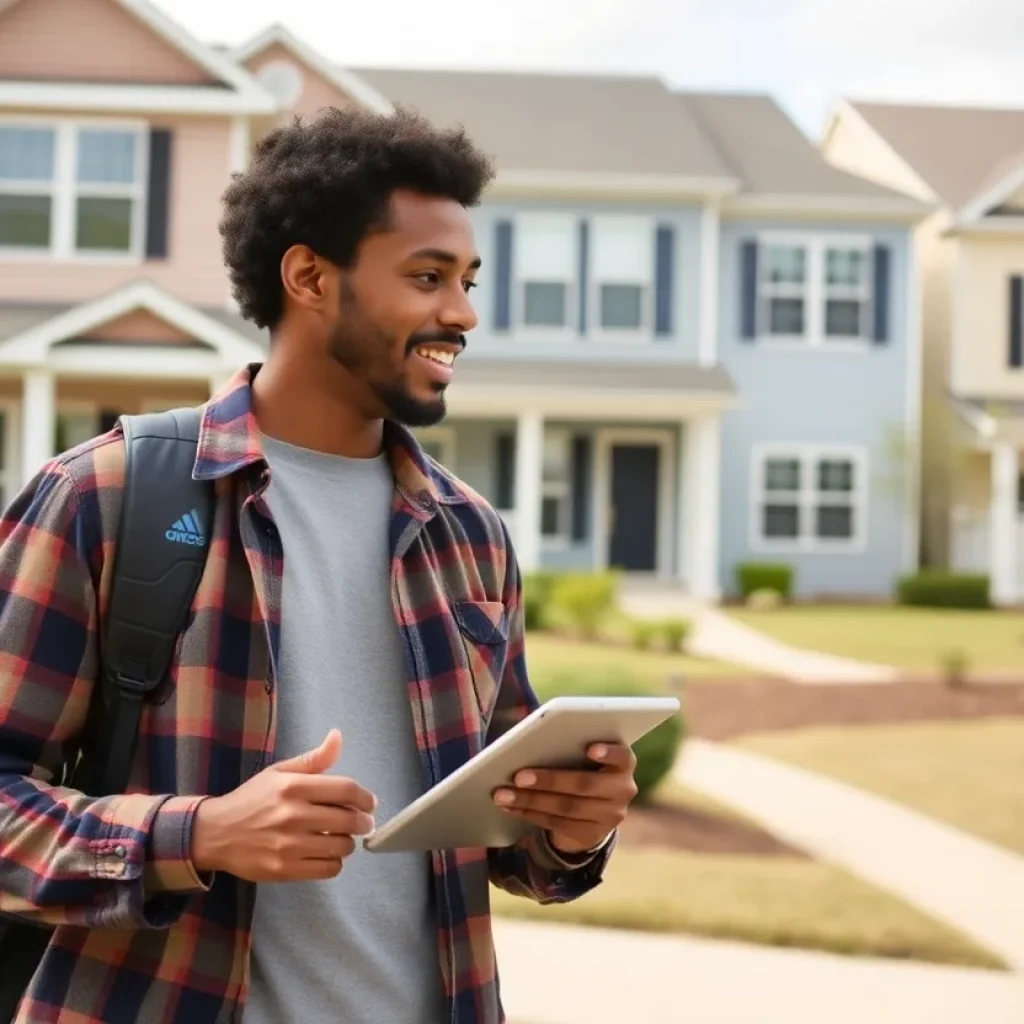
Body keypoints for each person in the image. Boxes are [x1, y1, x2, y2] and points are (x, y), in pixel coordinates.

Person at [0, 106, 638, 1024]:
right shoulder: (106, 496)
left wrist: (569, 829)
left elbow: (509, 842)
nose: (460, 313)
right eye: (426, 277)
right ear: (307, 276)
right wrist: (200, 834)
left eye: (466, 280)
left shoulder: (470, 536)